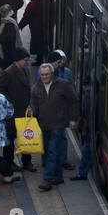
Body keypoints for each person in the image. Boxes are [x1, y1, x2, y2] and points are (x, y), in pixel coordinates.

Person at [29, 62, 78, 191]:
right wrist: (31, 112)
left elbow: (73, 101)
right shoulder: (36, 87)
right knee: (48, 151)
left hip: (58, 123)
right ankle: (58, 176)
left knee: (52, 151)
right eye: (42, 75)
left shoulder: (62, 84)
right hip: (44, 124)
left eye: (47, 74)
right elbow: (34, 104)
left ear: (52, 73)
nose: (44, 77)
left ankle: (47, 180)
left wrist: (73, 118)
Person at [0, 47, 35, 172]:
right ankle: (9, 161)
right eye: (25, 60)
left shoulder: (26, 70)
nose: (27, 62)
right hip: (13, 113)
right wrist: (10, 103)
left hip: (25, 112)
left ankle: (27, 162)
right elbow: (0, 89)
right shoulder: (8, 73)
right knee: (10, 138)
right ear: (18, 60)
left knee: (27, 137)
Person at [70, 73, 94, 181]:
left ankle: (82, 173)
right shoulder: (90, 94)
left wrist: (79, 125)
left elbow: (85, 114)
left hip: (89, 131)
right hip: (89, 129)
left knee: (86, 151)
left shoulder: (88, 96)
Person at [20, 0, 46, 65]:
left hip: (36, 28)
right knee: (42, 42)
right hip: (46, 27)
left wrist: (20, 25)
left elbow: (27, 16)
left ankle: (39, 60)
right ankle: (40, 58)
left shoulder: (33, 4)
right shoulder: (47, 1)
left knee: (38, 43)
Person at [0, 4, 20, 71]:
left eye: (3, 12)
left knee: (8, 68)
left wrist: (1, 39)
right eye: (1, 12)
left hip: (8, 51)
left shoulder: (8, 22)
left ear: (7, 12)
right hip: (9, 50)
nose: (1, 14)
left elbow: (10, 37)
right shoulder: (9, 20)